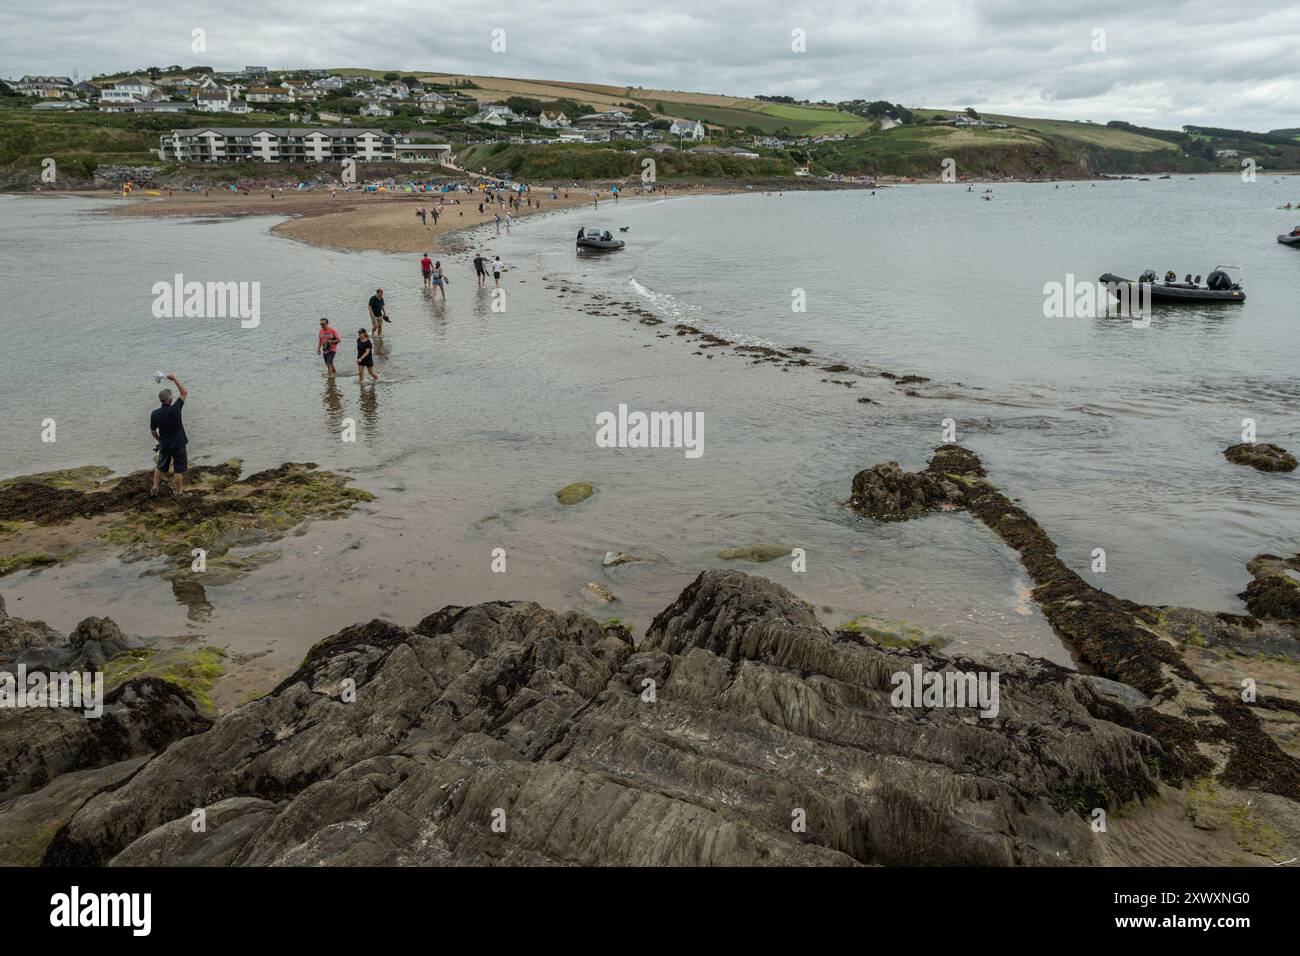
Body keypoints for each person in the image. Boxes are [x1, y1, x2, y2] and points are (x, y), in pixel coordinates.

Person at [150, 373, 189, 498]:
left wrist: (159, 440)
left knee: (160, 467)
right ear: (170, 400)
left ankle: (155, 488)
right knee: (178, 470)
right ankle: (179, 493)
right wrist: (174, 379)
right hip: (178, 444)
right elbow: (184, 392)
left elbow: (152, 431)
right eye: (172, 397)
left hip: (165, 445)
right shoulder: (176, 409)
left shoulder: (155, 413)